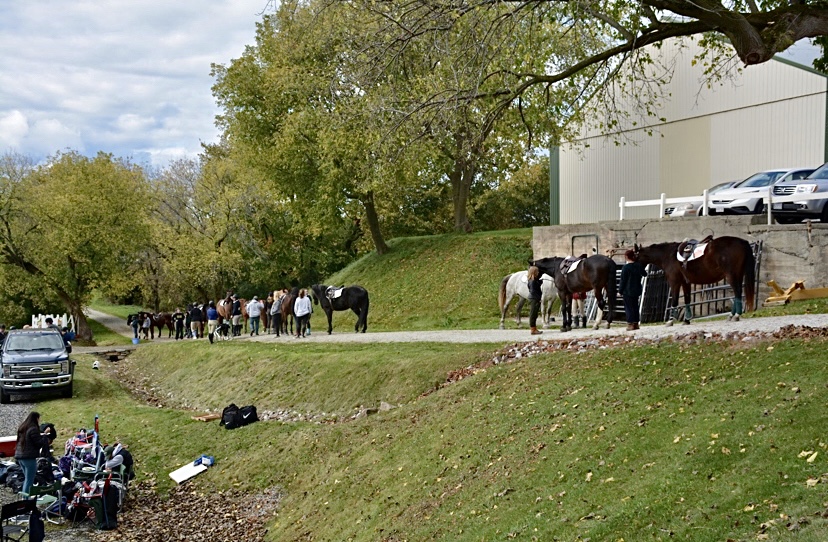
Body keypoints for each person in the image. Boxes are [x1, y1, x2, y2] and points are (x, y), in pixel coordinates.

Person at [15, 411, 48, 495]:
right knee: (29, 479)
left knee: (26, 479)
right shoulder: (33, 429)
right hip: (28, 457)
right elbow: (38, 443)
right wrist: (45, 435)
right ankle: (26, 500)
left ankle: (24, 497)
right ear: (36, 418)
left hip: (20, 457)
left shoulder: (23, 427)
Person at [620, 249, 648, 331]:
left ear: (626, 257)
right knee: (635, 306)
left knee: (629, 307)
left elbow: (623, 280)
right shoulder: (638, 266)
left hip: (627, 290)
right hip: (636, 289)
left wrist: (620, 291)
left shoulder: (625, 268)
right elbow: (645, 274)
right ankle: (636, 323)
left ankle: (630, 323)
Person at [527, 266, 543, 335]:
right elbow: (533, 291)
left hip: (534, 298)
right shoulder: (532, 281)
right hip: (534, 298)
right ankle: (533, 329)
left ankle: (534, 328)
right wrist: (538, 299)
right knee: (533, 314)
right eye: (537, 271)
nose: (538, 273)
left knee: (535, 314)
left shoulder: (533, 280)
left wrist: (540, 282)